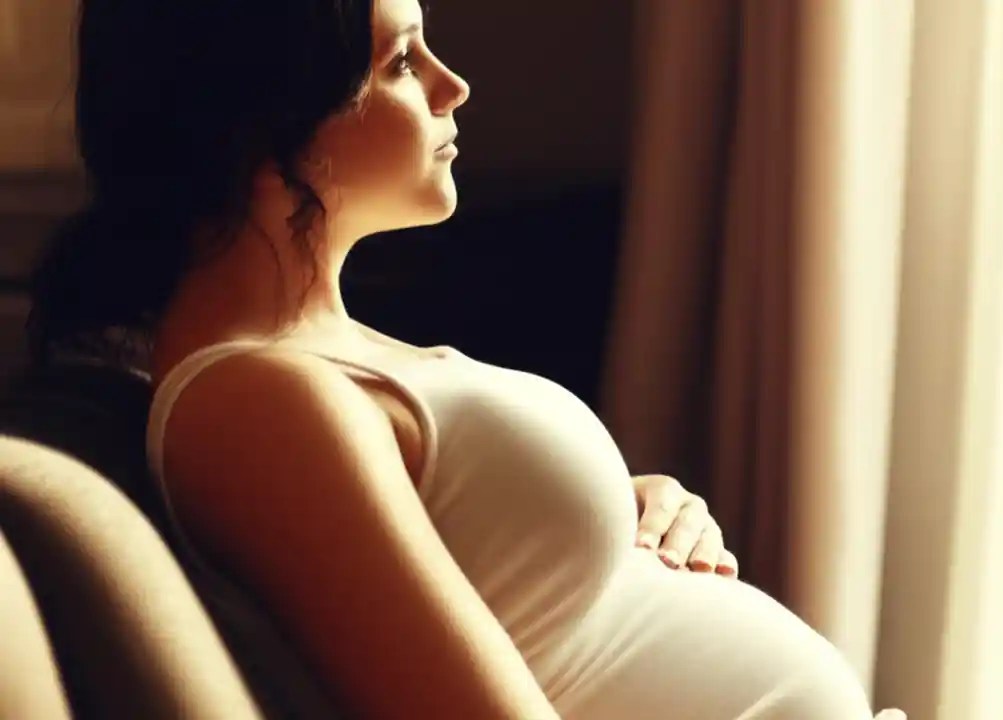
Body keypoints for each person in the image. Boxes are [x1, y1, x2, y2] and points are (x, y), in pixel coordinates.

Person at [24, 0, 906, 718]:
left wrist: (618, 512)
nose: (454, 85)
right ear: (264, 132)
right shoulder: (256, 399)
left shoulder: (310, 363)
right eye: (403, 62)